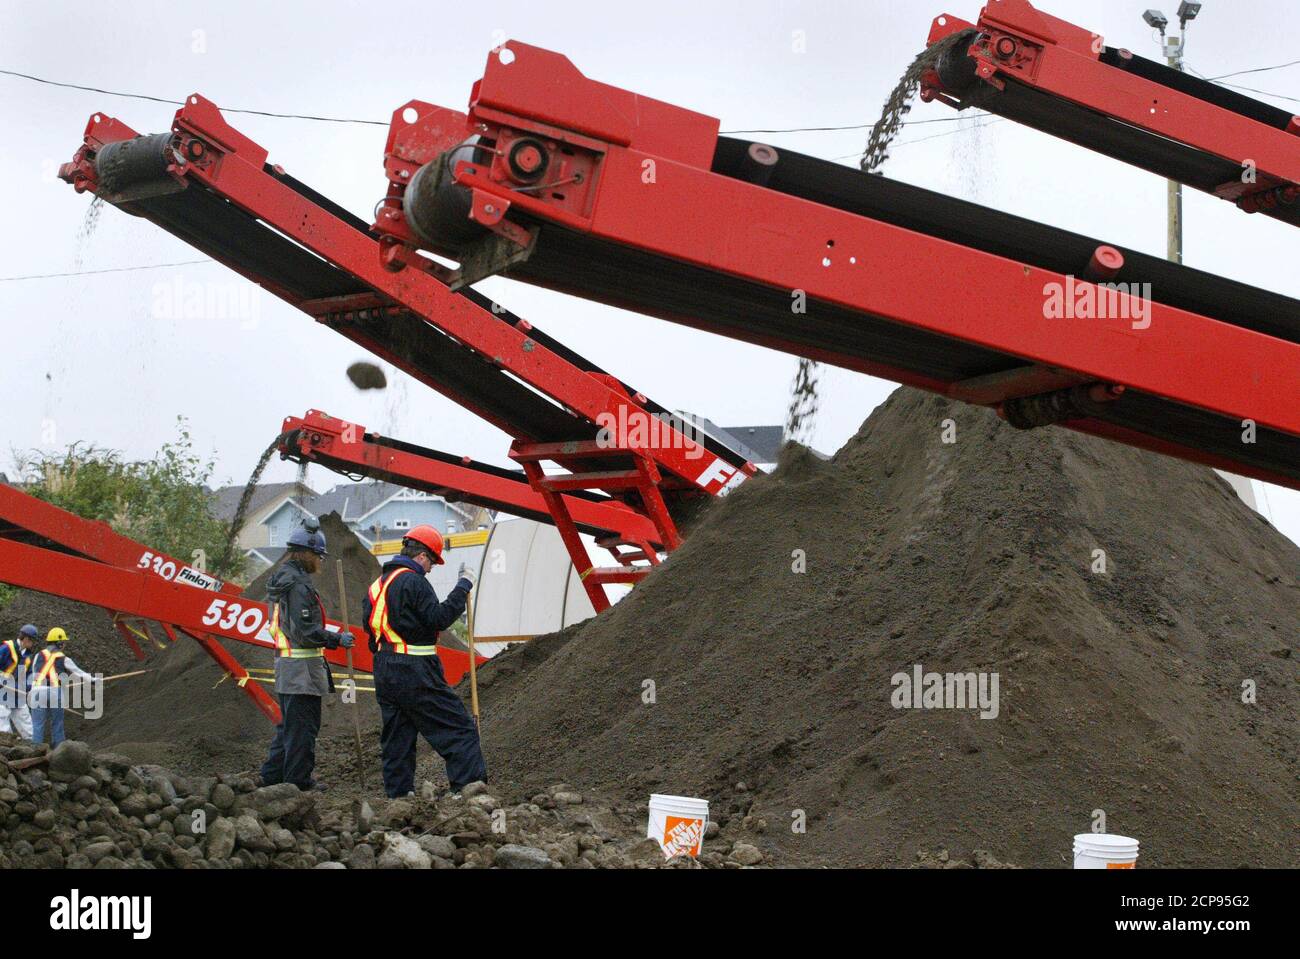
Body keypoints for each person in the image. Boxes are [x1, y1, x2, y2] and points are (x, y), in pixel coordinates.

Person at [363, 524, 485, 797]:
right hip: (416, 671)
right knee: (459, 729)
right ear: (422, 556)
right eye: (432, 562)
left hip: (384, 669)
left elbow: (371, 633)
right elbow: (438, 618)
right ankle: (470, 791)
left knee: (398, 737)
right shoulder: (414, 581)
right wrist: (463, 586)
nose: (431, 568)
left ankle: (399, 797)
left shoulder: (376, 587)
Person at [259, 516, 350, 792]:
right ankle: (298, 783)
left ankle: (272, 777)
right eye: (318, 556)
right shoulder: (298, 585)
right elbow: (306, 631)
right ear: (306, 553)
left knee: (289, 727)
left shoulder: (283, 580)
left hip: (289, 666)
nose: (320, 561)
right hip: (301, 670)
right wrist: (337, 639)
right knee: (303, 729)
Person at [29, 627, 93, 747]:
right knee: (57, 723)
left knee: (37, 725)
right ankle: (59, 752)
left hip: (36, 691)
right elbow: (79, 672)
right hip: (54, 692)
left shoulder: (38, 655)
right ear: (59, 643)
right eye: (63, 642)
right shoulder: (64, 658)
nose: (64, 645)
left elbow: (33, 675)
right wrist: (94, 680)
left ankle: (34, 752)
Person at [0, 624, 37, 739]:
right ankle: (8, 748)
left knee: (27, 725)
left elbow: (29, 676)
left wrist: (30, 688)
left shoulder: (27, 656)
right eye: (33, 641)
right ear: (26, 639)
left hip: (16, 694)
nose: (33, 644)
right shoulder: (6, 648)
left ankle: (34, 747)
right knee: (3, 725)